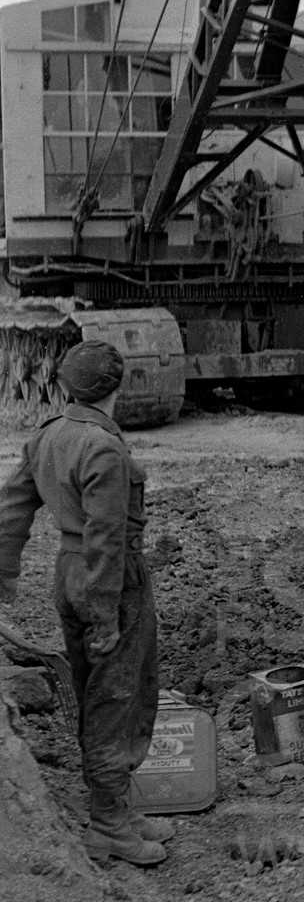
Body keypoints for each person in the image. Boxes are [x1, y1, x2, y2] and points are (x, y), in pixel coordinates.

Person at [0, 340, 167, 866]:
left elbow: (11, 511)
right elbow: (107, 536)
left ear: (67, 385)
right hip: (109, 581)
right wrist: (105, 615)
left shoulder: (47, 436)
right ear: (119, 386)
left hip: (67, 575)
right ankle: (109, 825)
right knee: (117, 697)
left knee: (92, 689)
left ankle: (113, 806)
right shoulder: (105, 447)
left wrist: (3, 578)